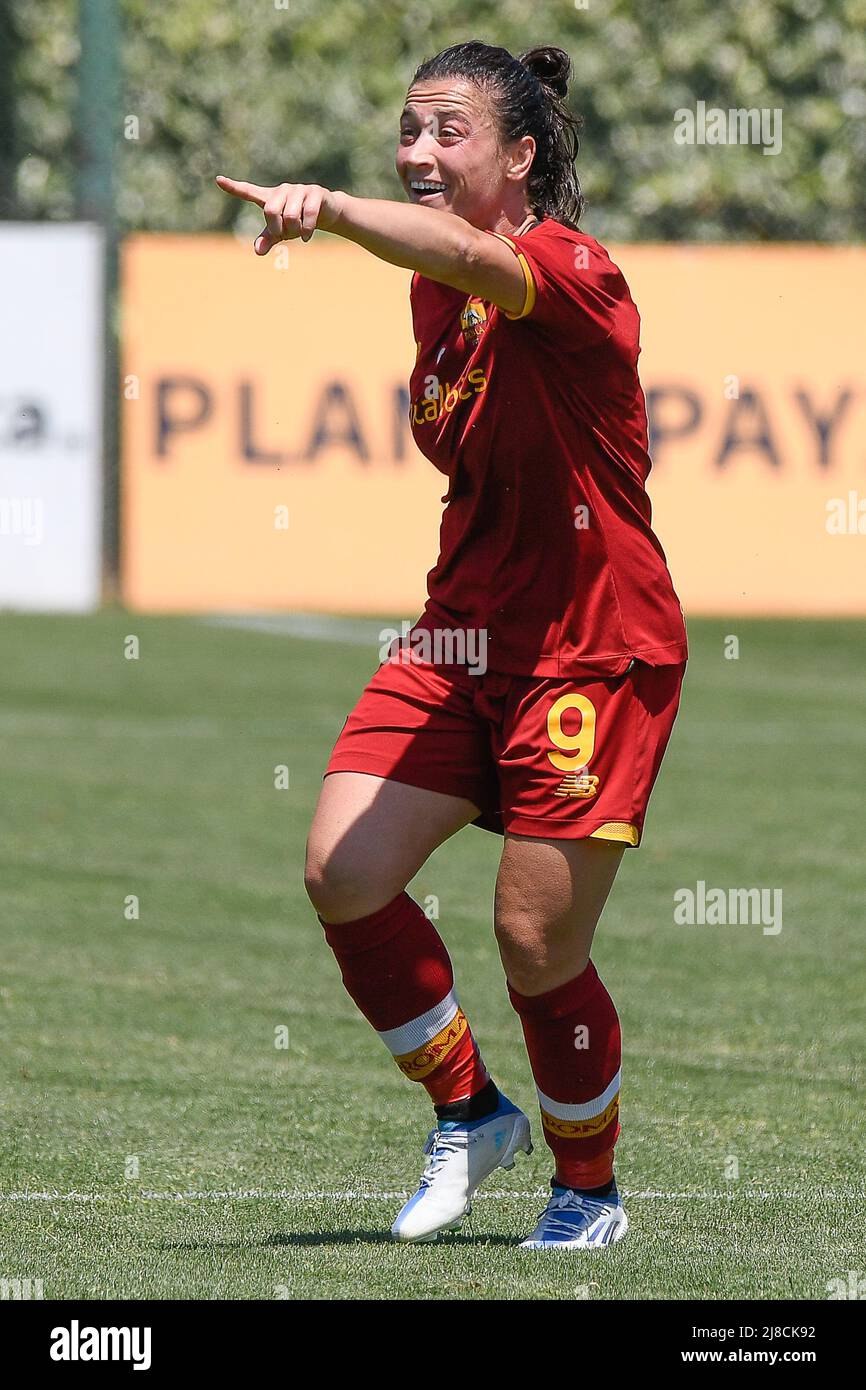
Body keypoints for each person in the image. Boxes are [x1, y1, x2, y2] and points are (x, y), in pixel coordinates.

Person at [217, 39, 688, 1250]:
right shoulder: (436, 290)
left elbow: (481, 256)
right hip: (461, 634)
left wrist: (326, 209)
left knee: (534, 942)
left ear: (519, 155)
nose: (415, 154)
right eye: (407, 132)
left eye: (445, 134)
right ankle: (470, 1111)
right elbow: (452, 271)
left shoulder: (568, 268)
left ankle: (587, 1190)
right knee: (342, 871)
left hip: (589, 648)